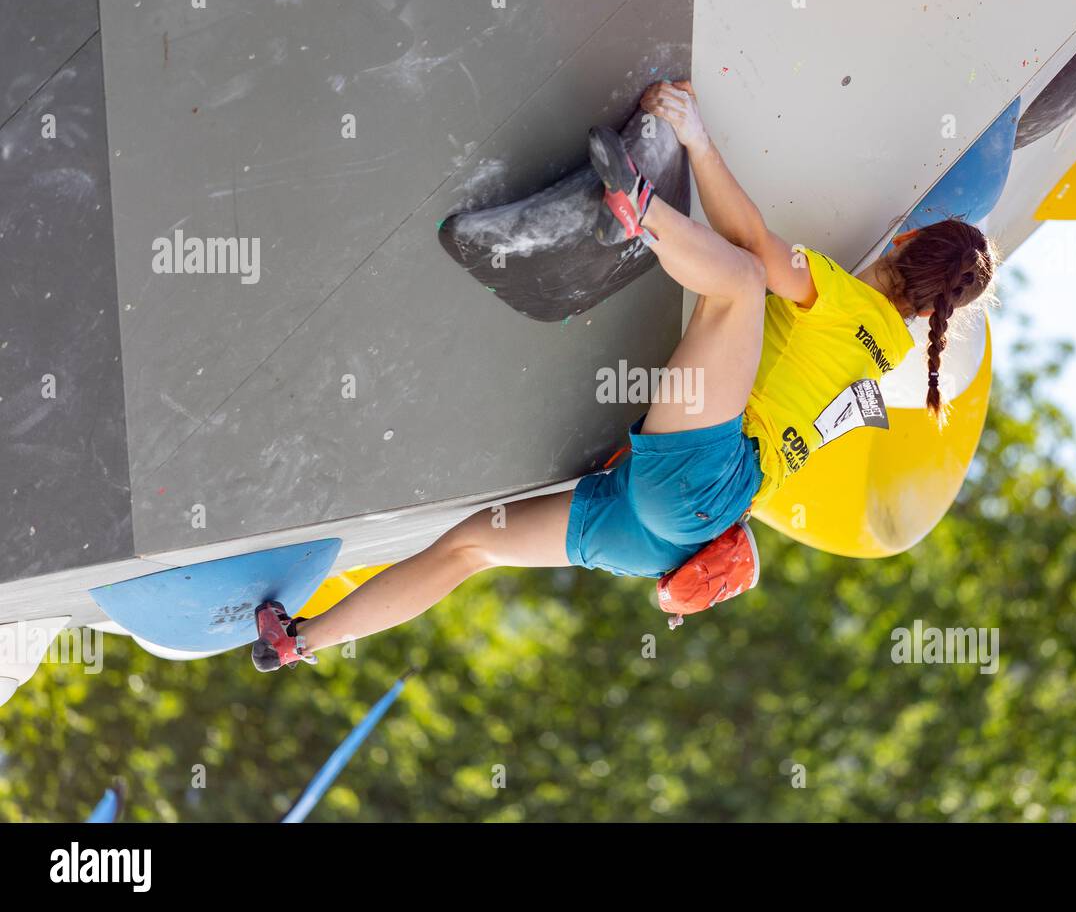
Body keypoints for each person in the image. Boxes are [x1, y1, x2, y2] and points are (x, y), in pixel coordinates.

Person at [252, 81, 998, 671]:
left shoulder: (848, 301)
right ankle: (299, 643)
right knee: (468, 550)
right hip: (667, 538)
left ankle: (637, 210)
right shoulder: (888, 352)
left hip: (708, 486)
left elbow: (752, 244)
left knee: (737, 281)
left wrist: (695, 139)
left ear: (906, 238)